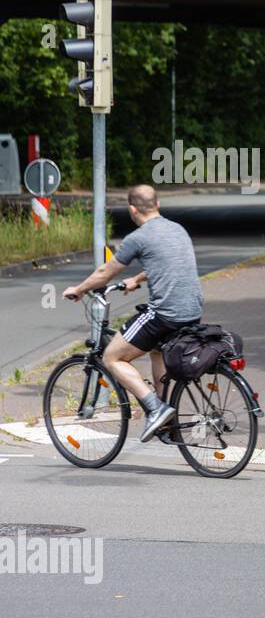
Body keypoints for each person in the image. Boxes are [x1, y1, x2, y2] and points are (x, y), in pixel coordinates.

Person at [62, 184, 204, 443]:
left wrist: (80, 289)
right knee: (157, 351)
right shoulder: (177, 229)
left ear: (132, 209)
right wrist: (137, 279)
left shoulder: (137, 238)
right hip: (192, 311)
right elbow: (166, 265)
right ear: (158, 205)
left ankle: (155, 408)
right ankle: (165, 420)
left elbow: (106, 273)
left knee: (112, 357)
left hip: (165, 314)